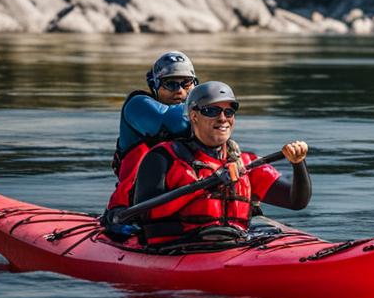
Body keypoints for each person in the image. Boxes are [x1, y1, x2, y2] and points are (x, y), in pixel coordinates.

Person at [130, 81, 311, 246]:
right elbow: (145, 214)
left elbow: (296, 201)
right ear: (193, 116)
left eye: (229, 111)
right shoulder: (163, 158)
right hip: (179, 247)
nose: (223, 118)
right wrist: (207, 185)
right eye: (212, 111)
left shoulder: (246, 163)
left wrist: (298, 164)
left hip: (236, 244)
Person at [104, 51, 198, 219]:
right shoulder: (138, 105)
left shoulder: (205, 120)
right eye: (170, 84)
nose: (179, 91)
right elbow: (171, 122)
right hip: (132, 213)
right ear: (154, 85)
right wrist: (209, 107)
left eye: (186, 83)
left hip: (189, 211)